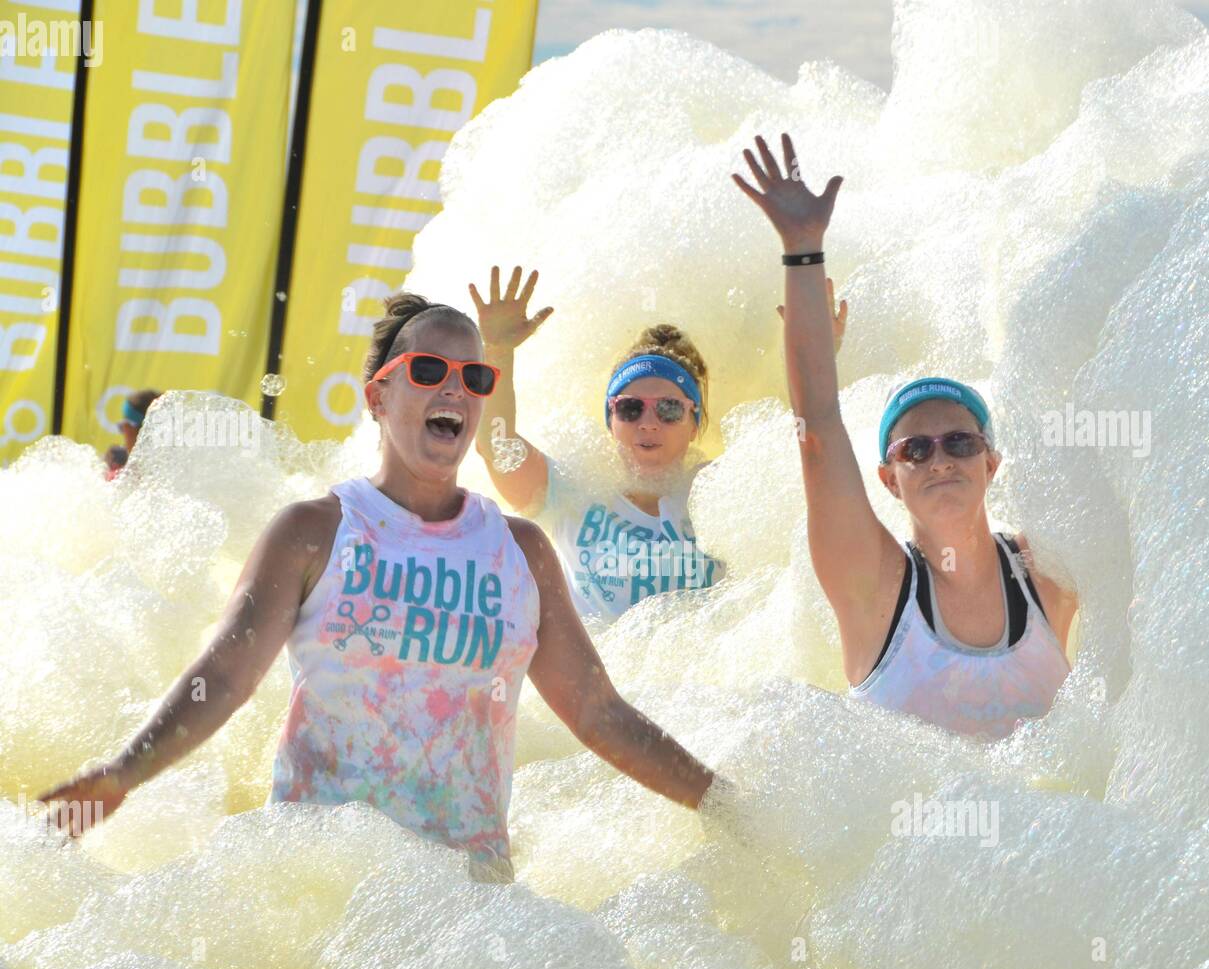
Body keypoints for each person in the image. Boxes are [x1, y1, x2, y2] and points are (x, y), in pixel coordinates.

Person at [37, 294, 720, 878]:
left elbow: (600, 714)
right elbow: (224, 674)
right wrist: (122, 773)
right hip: (318, 887)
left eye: (473, 377)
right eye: (427, 370)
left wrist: (726, 804)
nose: (453, 389)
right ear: (377, 395)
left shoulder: (521, 551)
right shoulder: (313, 531)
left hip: (467, 902)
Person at [734, 133, 1078, 741]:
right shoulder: (876, 588)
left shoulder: (1047, 572)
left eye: (961, 443)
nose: (940, 458)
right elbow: (816, 427)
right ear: (890, 479)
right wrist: (803, 250)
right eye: (916, 449)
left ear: (992, 463)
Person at [468, 266, 726, 623]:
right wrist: (497, 352)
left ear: (695, 423)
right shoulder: (572, 490)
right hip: (599, 673)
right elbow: (495, 446)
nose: (648, 423)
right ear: (611, 421)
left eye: (669, 409)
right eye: (630, 408)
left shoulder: (723, 494)